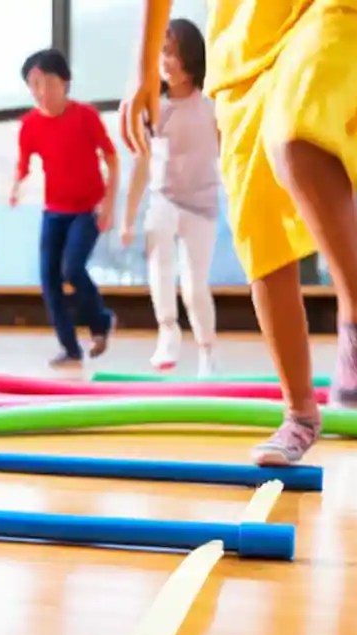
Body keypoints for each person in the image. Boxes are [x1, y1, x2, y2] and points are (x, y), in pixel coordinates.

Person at [120, 0, 357, 464]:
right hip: (242, 44)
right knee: (260, 230)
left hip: (340, 8)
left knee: (296, 135)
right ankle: (299, 412)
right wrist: (143, 69)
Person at [121, 18, 220, 377]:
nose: (167, 61)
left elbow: (229, 156)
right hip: (164, 199)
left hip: (202, 206)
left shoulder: (210, 108)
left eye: (175, 54)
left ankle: (207, 351)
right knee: (159, 265)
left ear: (192, 60)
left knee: (195, 287)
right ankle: (168, 331)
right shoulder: (155, 109)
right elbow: (141, 164)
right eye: (162, 52)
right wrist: (128, 218)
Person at [12, 49, 120, 368]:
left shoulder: (85, 116)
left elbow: (112, 159)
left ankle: (101, 322)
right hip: (53, 211)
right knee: (49, 279)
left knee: (72, 268)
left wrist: (109, 204)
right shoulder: (30, 125)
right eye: (33, 84)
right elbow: (24, 163)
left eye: (47, 82)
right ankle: (70, 348)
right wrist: (16, 185)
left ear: (65, 83)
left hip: (87, 209)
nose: (41, 92)